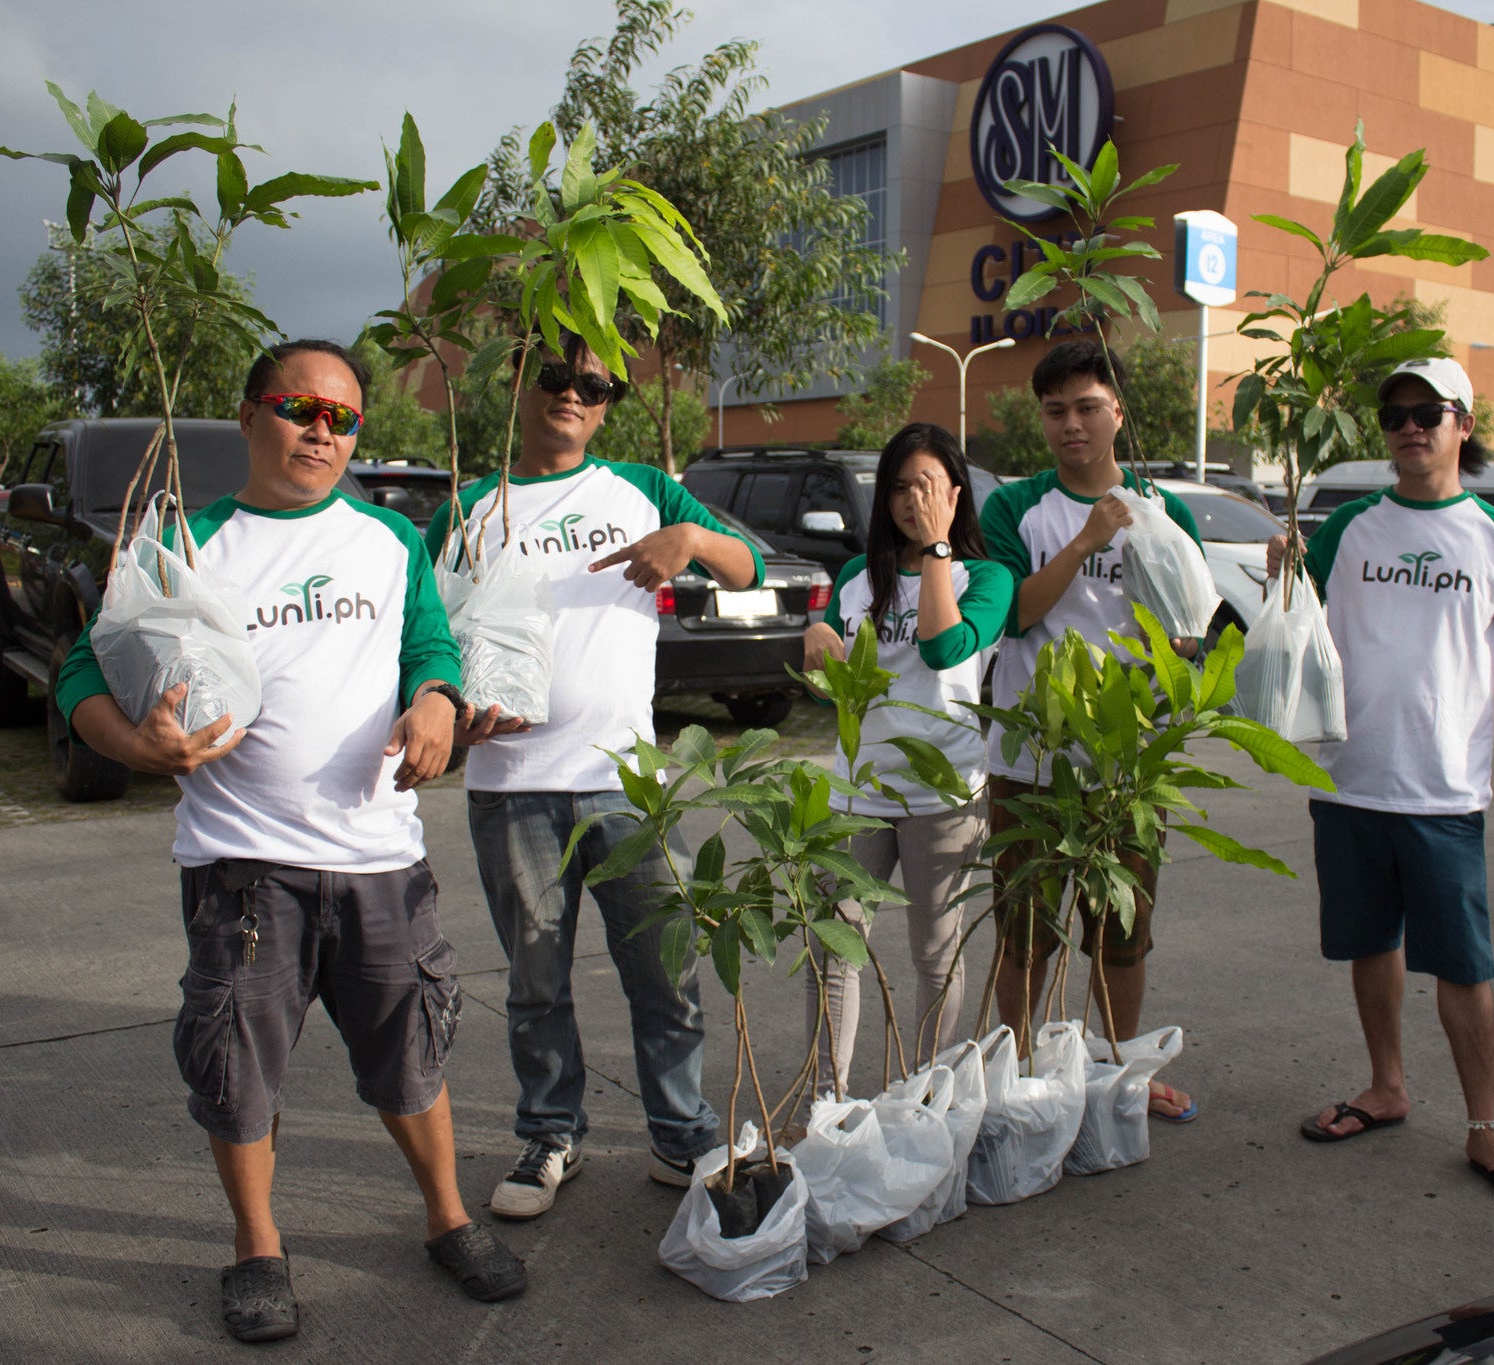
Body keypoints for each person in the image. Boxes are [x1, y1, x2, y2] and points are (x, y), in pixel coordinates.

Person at [58, 340, 525, 1343]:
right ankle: (257, 1249)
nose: (322, 431)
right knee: (236, 1070)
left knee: (411, 1055)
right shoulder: (185, 546)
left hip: (379, 861)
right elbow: (81, 674)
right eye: (299, 408)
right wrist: (135, 745)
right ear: (248, 416)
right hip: (243, 867)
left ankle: (447, 1219)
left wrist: (436, 700)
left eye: (342, 418)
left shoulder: (386, 538)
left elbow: (429, 645)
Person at [426, 339, 763, 1222]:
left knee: (665, 969)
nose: (571, 394)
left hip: (628, 785)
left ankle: (681, 1136)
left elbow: (750, 568)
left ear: (610, 400)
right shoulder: (470, 505)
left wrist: (692, 538)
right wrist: (448, 706)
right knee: (536, 979)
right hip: (511, 784)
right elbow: (426, 632)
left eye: (593, 384)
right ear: (517, 381)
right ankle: (551, 1134)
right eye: (553, 376)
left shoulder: (643, 490)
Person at [1268, 355, 1494, 1215]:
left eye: (1427, 413)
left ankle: (1486, 1126)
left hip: (1444, 791)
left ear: (1463, 424)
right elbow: (1295, 621)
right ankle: (1387, 1084)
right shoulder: (1349, 527)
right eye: (1394, 414)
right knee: (1371, 942)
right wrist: (1281, 569)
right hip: (1349, 779)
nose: (1409, 427)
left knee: (1463, 965)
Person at [977, 338, 1206, 1122]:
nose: (1071, 424)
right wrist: (1085, 541)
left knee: (1122, 930)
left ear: (1118, 412)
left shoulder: (1165, 513)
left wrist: (1179, 649)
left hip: (1127, 765)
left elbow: (1187, 631)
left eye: (1086, 407)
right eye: (1055, 411)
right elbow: (1014, 614)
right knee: (1024, 930)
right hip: (1032, 760)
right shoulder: (1014, 508)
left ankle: (1119, 1076)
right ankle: (1018, 1078)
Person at [799, 422, 1010, 1095]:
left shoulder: (987, 578)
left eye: (928, 486)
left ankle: (927, 1098)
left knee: (934, 955)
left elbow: (944, 649)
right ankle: (826, 1102)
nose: (912, 501)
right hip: (857, 791)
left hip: (941, 797)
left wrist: (939, 547)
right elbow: (836, 676)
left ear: (956, 492)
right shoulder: (858, 577)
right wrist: (816, 638)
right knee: (833, 947)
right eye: (899, 488)